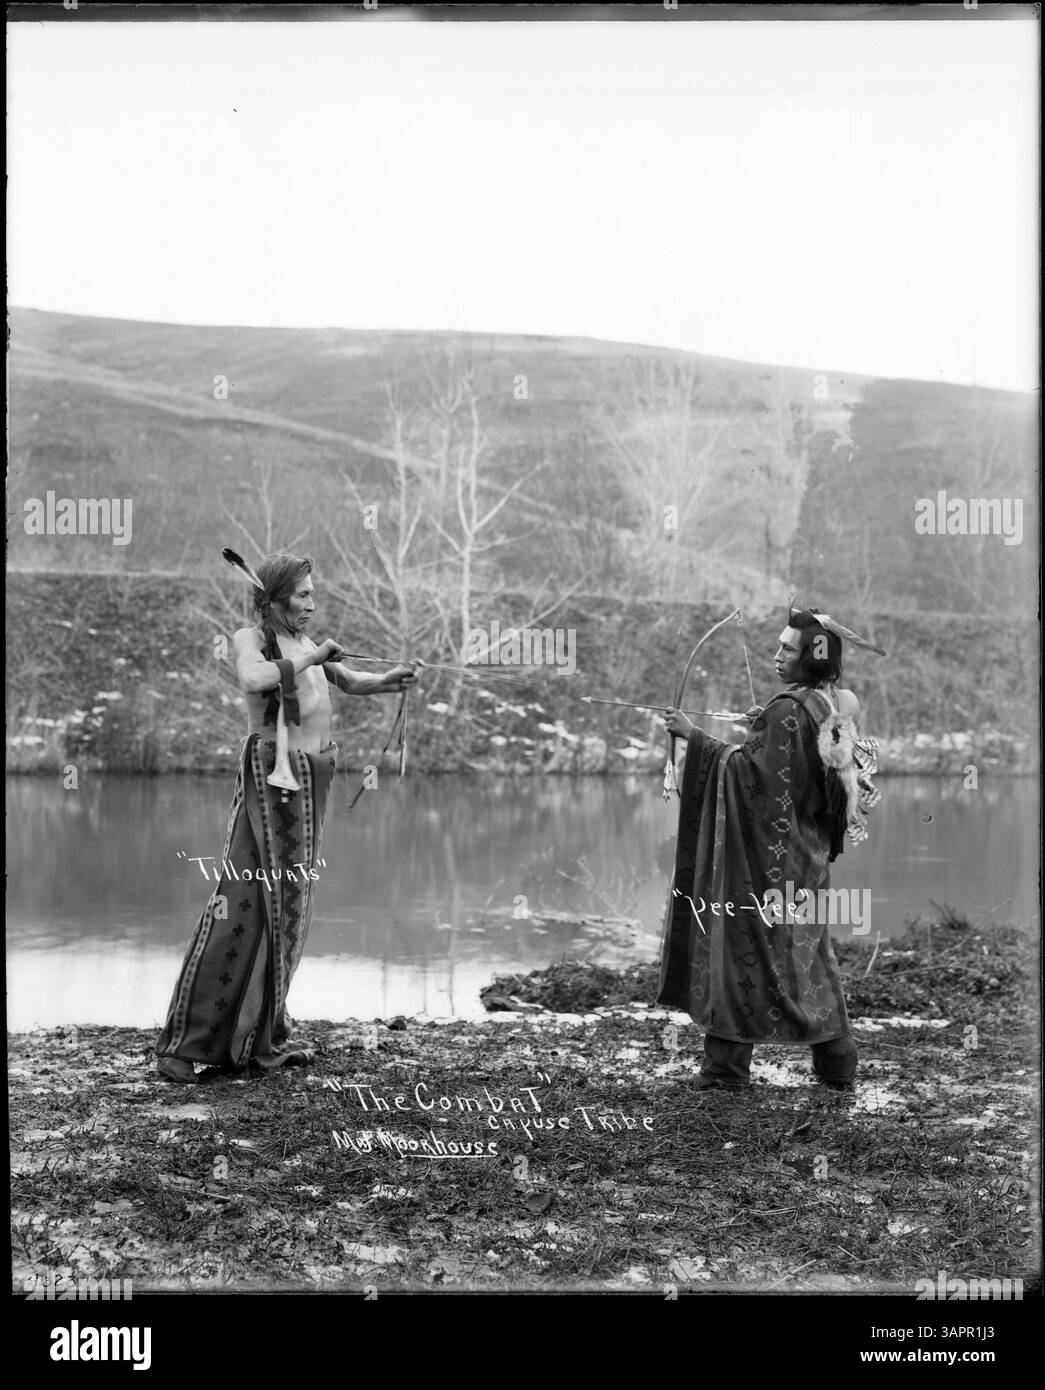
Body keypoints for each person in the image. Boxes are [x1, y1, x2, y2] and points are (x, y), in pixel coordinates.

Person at [155, 552, 415, 1083]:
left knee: (290, 908)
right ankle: (188, 1043)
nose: (312, 604)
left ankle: (259, 1037)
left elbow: (347, 682)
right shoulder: (251, 638)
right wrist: (314, 654)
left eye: (313, 594)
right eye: (302, 595)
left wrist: (392, 679)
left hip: (311, 776)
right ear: (272, 599)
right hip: (275, 780)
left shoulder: (306, 648)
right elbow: (254, 680)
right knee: (247, 901)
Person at [657, 604, 884, 1091]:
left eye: (788, 648)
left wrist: (692, 737)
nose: (777, 654)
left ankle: (725, 1073)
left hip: (767, 866)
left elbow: (746, 776)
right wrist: (768, 723)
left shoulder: (789, 710)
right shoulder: (825, 703)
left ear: (812, 657)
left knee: (743, 950)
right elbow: (802, 768)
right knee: (808, 959)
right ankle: (837, 1067)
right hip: (806, 861)